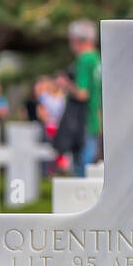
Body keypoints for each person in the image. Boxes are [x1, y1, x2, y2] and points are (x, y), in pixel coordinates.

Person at [55, 19, 102, 176]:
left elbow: (82, 93)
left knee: (82, 172)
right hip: (94, 119)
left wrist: (65, 84)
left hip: (82, 122)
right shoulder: (96, 58)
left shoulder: (84, 59)